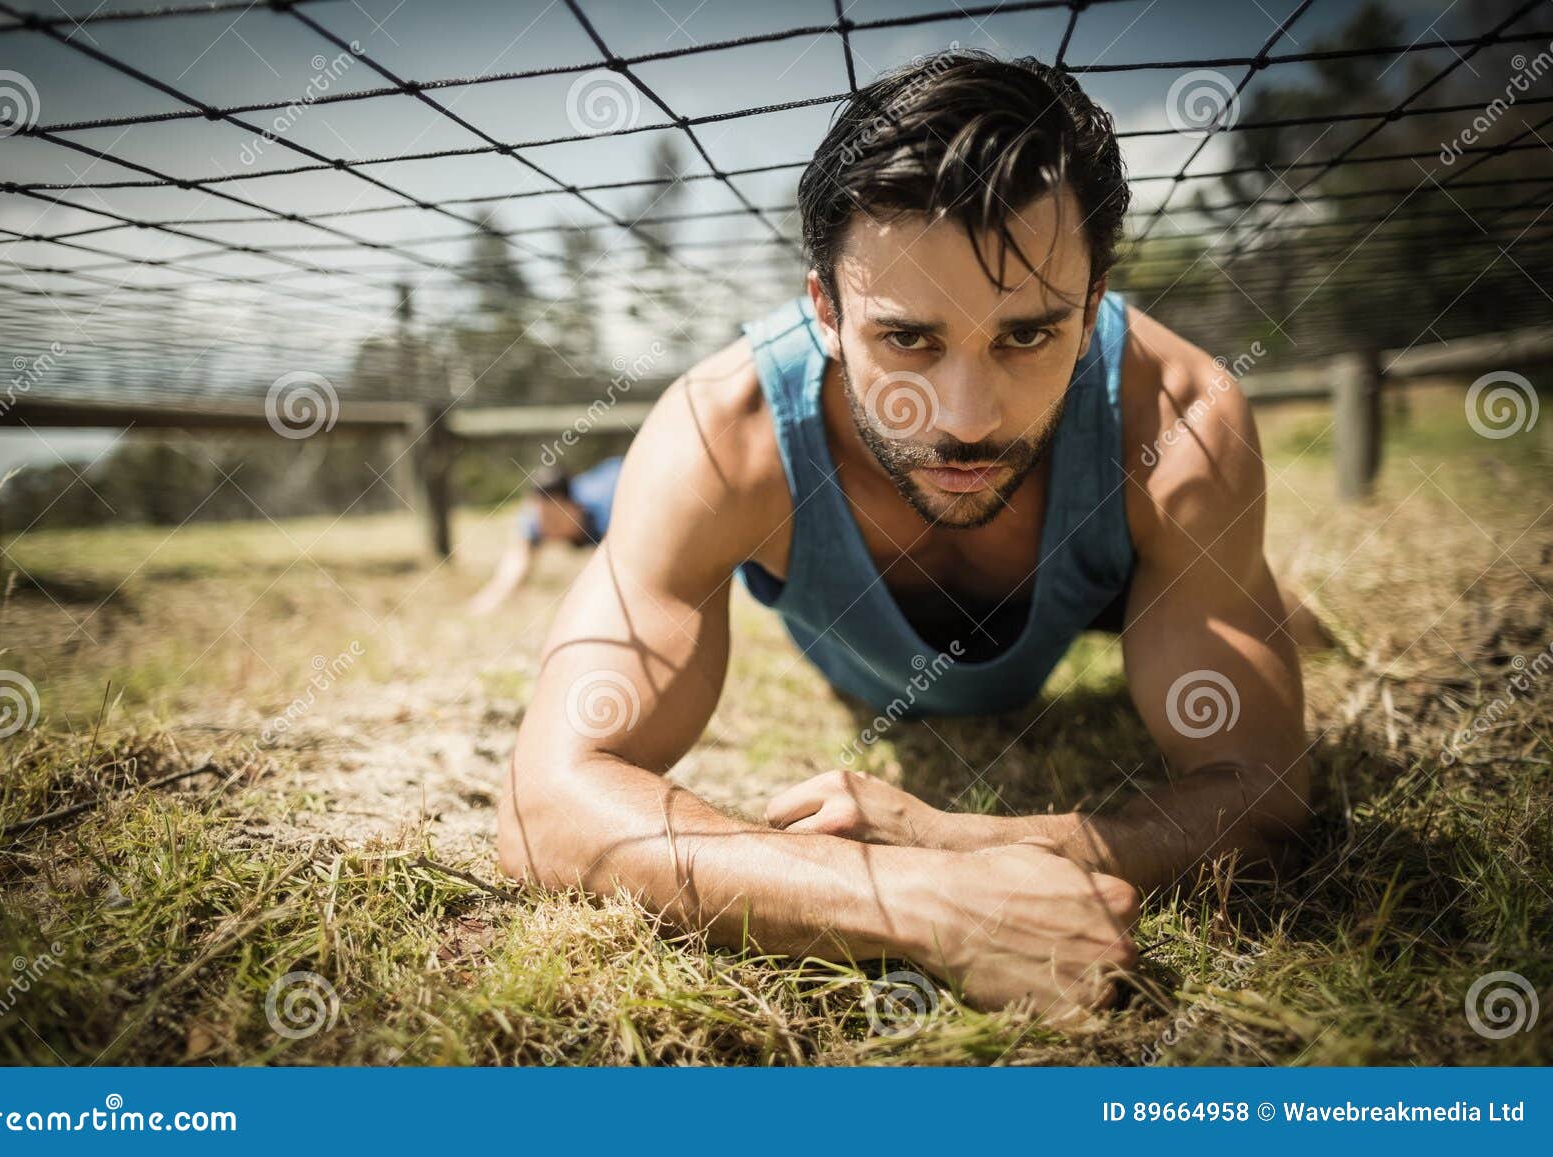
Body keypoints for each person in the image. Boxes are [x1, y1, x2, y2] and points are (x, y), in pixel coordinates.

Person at [499, 51, 1308, 1019]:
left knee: (1251, 602)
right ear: (827, 313)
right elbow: (543, 801)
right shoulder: (721, 439)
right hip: (863, 666)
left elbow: (1263, 797)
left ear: (1092, 310)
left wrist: (948, 841)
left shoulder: (1180, 422)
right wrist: (913, 903)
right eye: (908, 338)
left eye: (1025, 335)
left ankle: (1272, 599)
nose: (965, 419)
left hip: (1104, 592)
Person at [467, 457, 622, 618]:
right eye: (542, 519)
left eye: (554, 520)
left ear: (574, 507)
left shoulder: (609, 511)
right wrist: (490, 601)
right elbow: (516, 563)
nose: (545, 529)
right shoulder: (535, 519)